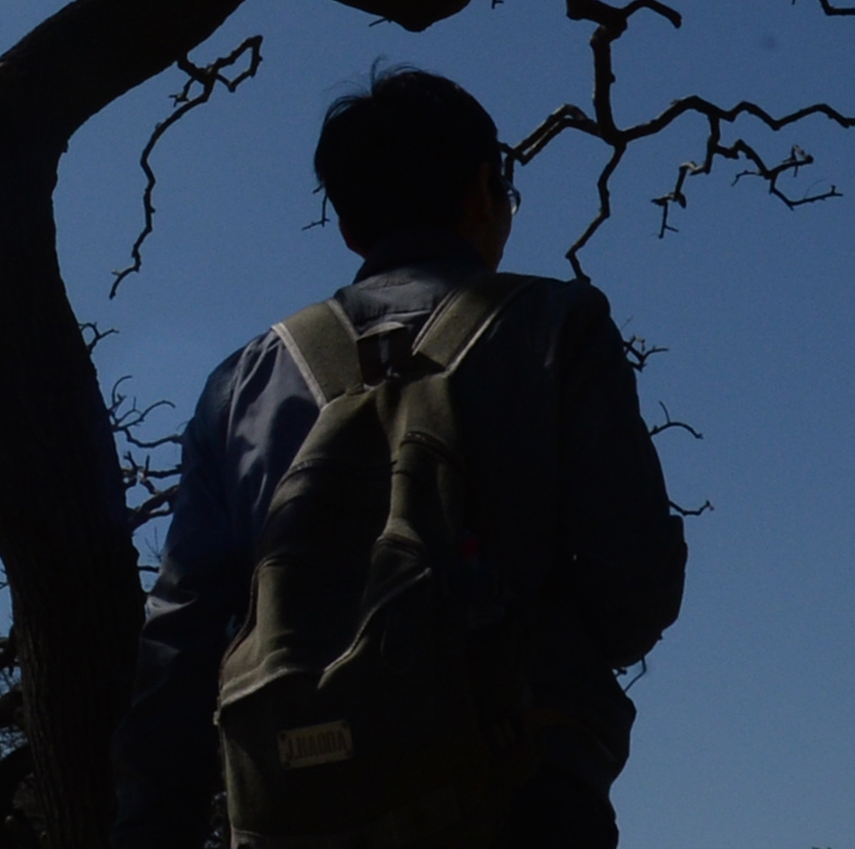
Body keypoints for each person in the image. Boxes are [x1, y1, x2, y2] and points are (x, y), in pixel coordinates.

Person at [110, 70, 687, 849]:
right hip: (522, 791)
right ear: (482, 190)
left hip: (297, 804)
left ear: (349, 228)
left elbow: (179, 638)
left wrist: (151, 825)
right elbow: (633, 583)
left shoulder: (240, 384)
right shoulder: (557, 326)